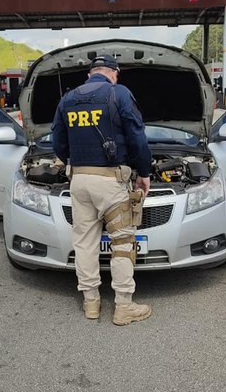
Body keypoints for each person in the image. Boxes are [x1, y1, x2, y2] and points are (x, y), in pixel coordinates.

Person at [51, 54, 152, 326]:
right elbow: (137, 137)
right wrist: (144, 173)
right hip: (111, 182)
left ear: (90, 74)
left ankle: (91, 303)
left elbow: (57, 141)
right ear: (114, 74)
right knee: (122, 243)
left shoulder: (68, 99)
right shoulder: (119, 94)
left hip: (79, 181)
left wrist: (75, 162)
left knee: (84, 242)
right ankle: (123, 306)